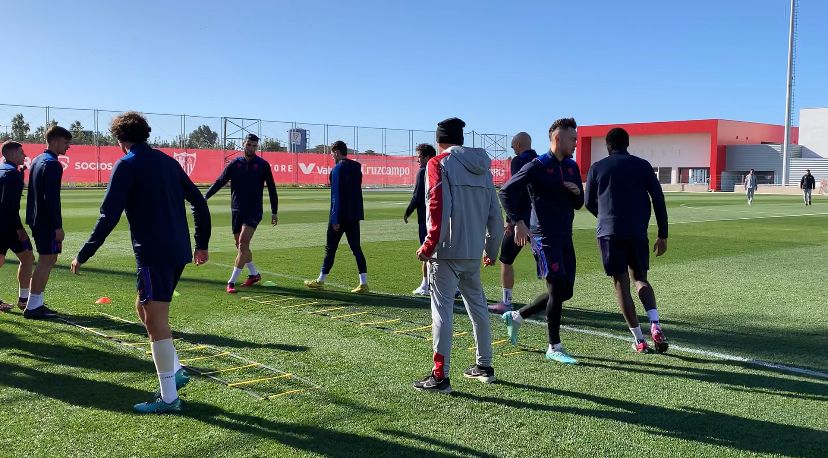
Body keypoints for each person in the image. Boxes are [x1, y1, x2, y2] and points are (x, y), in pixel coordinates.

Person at [70, 112, 211, 414]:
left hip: (153, 254)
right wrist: (201, 244)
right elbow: (199, 202)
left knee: (156, 322)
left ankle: (169, 398)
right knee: (143, 307)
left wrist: (84, 253)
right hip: (177, 252)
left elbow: (108, 215)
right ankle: (177, 369)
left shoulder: (126, 164)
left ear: (119, 140)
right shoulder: (168, 162)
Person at [413, 117, 503, 394]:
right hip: (472, 252)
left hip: (446, 252)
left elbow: (438, 206)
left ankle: (440, 376)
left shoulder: (438, 163)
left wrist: (429, 245)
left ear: (439, 139)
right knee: (478, 309)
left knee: (442, 313)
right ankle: (484, 366)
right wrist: (491, 249)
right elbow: (495, 217)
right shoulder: (483, 168)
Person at [499, 119, 583, 364]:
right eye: (573, 139)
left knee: (566, 291)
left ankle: (516, 317)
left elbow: (579, 204)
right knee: (556, 287)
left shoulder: (571, 167)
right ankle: (553, 346)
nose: (576, 143)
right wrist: (518, 222)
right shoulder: (537, 166)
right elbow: (505, 192)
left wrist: (577, 193)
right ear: (558, 139)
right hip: (543, 237)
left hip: (565, 235)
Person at [584, 127, 669, 354]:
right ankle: (655, 324)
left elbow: (588, 201)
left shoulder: (597, 168)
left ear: (608, 145)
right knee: (640, 279)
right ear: (627, 144)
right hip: (637, 232)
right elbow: (658, 199)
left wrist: (605, 218)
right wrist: (663, 234)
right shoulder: (642, 165)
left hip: (609, 233)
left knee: (621, 283)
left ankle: (639, 340)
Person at [205, 134, 278, 294]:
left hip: (254, 211)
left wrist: (274, 211)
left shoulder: (263, 165)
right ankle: (254, 274)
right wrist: (205, 197)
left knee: (243, 244)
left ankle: (231, 282)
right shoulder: (234, 164)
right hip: (237, 209)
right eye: (249, 145)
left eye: (254, 146)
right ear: (243, 144)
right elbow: (220, 181)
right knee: (239, 245)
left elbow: (272, 188)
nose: (251, 148)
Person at [304, 141, 369, 293]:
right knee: (356, 248)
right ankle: (363, 283)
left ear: (337, 152)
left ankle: (320, 281)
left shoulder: (338, 169)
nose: (331, 156)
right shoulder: (356, 168)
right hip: (354, 215)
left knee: (330, 249)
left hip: (340, 216)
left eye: (332, 153)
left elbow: (336, 196)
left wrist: (335, 219)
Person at [24, 125, 71, 319]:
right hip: (46, 222)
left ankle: (36, 303)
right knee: (47, 260)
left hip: (37, 219)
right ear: (54, 141)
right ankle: (33, 306)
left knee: (48, 259)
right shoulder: (52, 164)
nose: (68, 146)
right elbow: (51, 198)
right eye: (66, 142)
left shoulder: (37, 159)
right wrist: (57, 226)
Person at [489, 132, 538, 314]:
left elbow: (515, 191)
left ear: (518, 144)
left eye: (512, 145)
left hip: (521, 221)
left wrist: (511, 221)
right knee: (544, 263)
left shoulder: (519, 161)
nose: (512, 149)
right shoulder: (540, 160)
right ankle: (554, 303)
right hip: (538, 222)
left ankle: (506, 302)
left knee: (506, 259)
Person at [0, 141, 34, 312]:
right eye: (21, 152)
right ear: (12, 154)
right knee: (28, 258)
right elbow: (9, 205)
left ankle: (23, 300)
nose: (25, 155)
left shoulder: (2, 170)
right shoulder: (12, 174)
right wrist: (19, 228)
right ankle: (24, 300)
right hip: (8, 226)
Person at [405, 143, 437, 296]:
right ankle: (453, 287)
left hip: (426, 218)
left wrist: (408, 212)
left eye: (419, 157)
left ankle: (425, 285)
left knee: (425, 250)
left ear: (427, 157)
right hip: (440, 217)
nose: (418, 160)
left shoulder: (423, 171)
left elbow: (417, 195)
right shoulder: (441, 169)